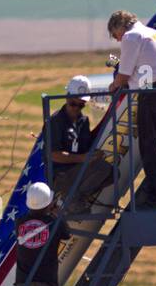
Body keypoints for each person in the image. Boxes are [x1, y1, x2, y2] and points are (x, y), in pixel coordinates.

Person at [108, 10, 156, 210]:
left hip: (153, 94)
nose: (117, 39)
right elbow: (150, 68)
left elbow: (124, 73)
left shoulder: (131, 37)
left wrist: (113, 86)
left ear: (119, 26)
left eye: (115, 34)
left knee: (150, 144)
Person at [46, 75, 114, 213]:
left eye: (81, 105)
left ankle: (71, 198)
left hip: (78, 171)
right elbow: (54, 155)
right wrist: (83, 158)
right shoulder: (55, 121)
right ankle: (71, 199)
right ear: (67, 97)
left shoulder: (84, 121)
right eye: (73, 104)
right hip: (60, 175)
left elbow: (86, 149)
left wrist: (94, 155)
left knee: (113, 174)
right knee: (101, 168)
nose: (77, 108)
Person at [14, 181, 67, 286]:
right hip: (46, 284)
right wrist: (58, 215)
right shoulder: (54, 223)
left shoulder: (19, 223)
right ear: (48, 204)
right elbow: (67, 234)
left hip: (24, 284)